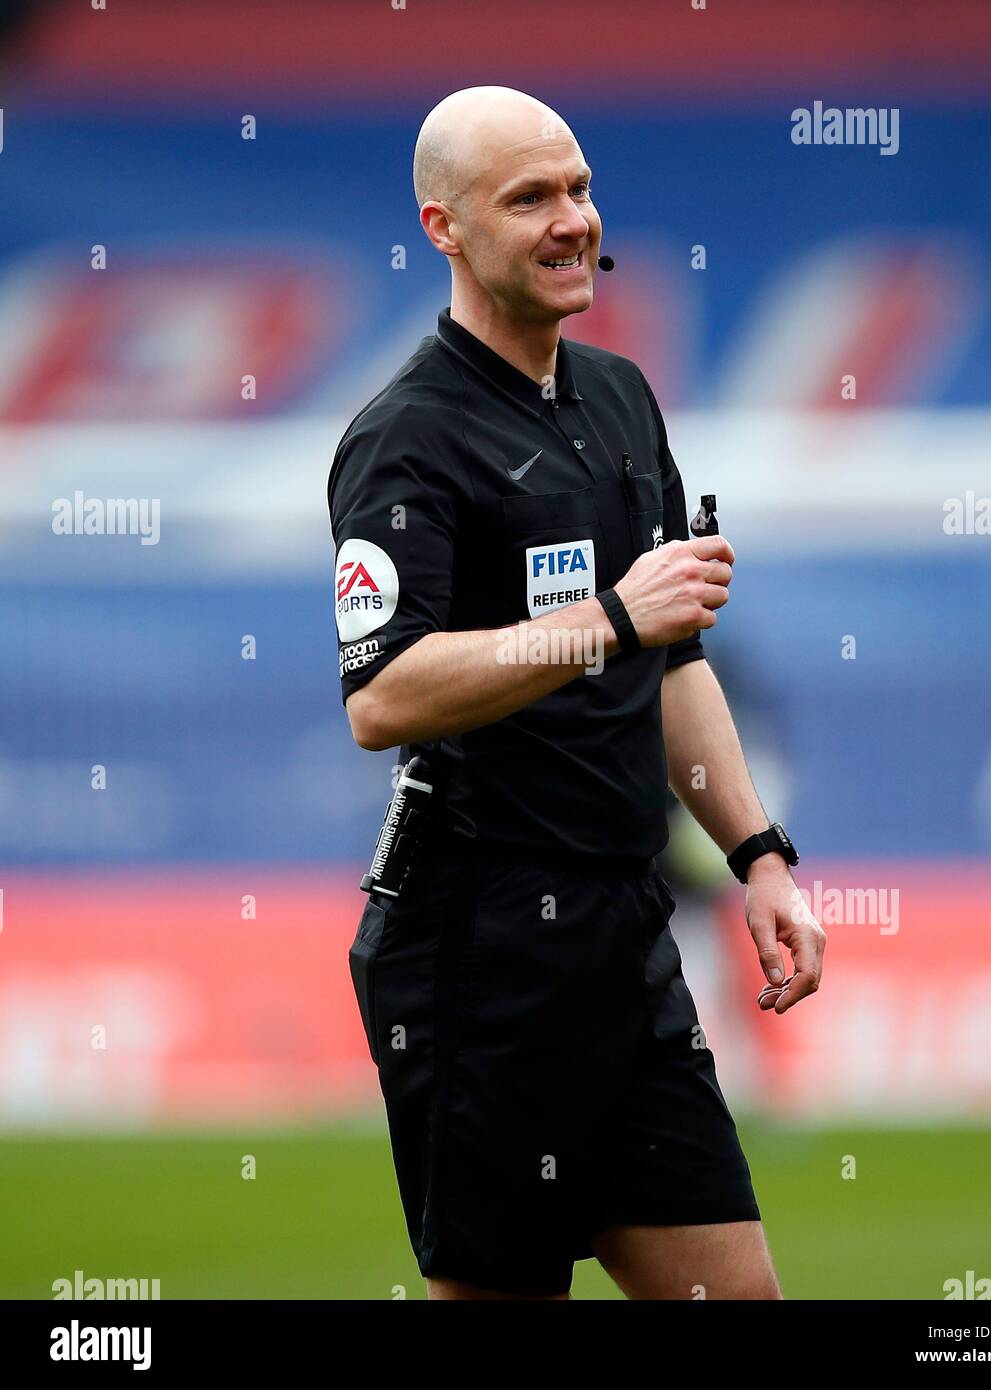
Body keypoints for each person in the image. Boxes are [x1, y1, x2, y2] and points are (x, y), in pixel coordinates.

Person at [328, 85, 825, 1300]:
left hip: (625, 939)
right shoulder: (406, 437)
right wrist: (606, 617)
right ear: (444, 227)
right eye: (528, 198)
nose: (571, 221)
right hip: (479, 955)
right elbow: (381, 696)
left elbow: (672, 661)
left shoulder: (618, 397)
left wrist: (756, 855)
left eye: (579, 188)